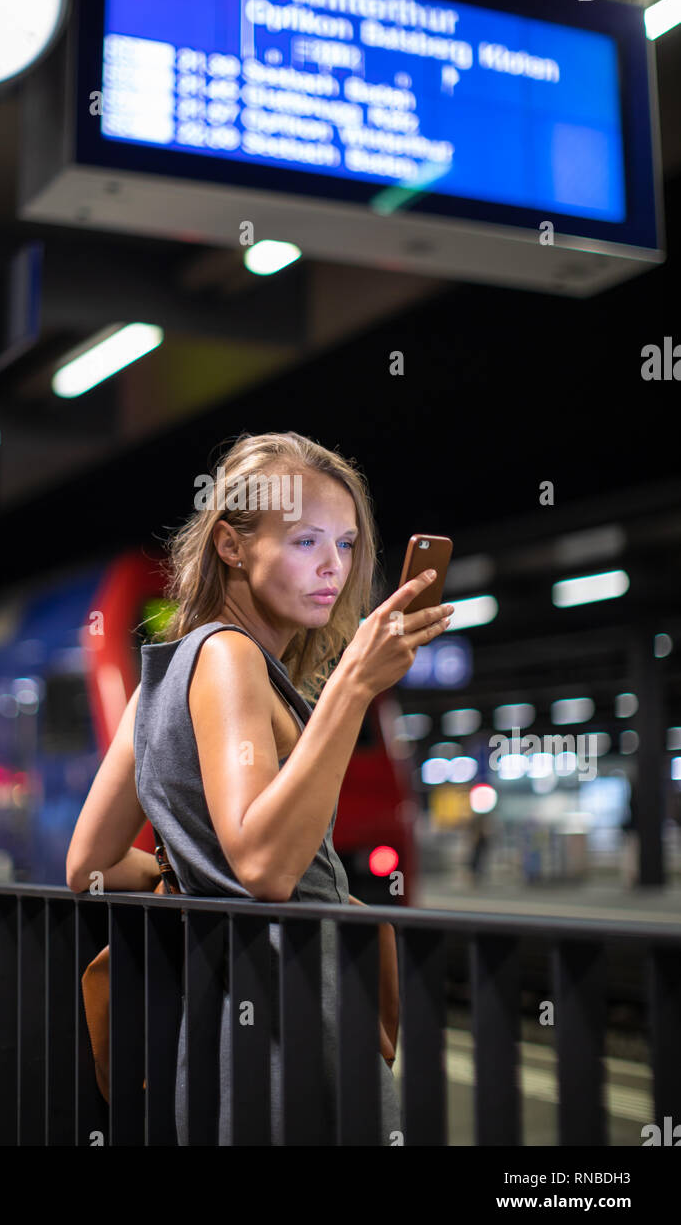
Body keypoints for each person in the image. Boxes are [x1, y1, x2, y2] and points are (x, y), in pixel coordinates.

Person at [66, 430, 454, 1145]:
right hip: (293, 1005)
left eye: (345, 545)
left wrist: (180, 874)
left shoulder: (166, 670)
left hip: (214, 1020)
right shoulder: (231, 658)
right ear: (230, 545)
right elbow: (265, 868)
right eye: (306, 541)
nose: (332, 568)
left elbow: (88, 863)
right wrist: (354, 686)